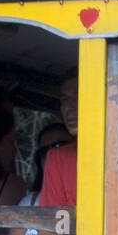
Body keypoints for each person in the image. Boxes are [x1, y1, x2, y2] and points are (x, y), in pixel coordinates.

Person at [37, 70, 78, 207]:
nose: (69, 107)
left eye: (79, 96)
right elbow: (56, 222)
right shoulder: (58, 158)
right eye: (64, 100)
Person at [18, 122, 72, 207]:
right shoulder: (29, 204)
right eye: (44, 151)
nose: (51, 155)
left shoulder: (97, 197)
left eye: (59, 146)